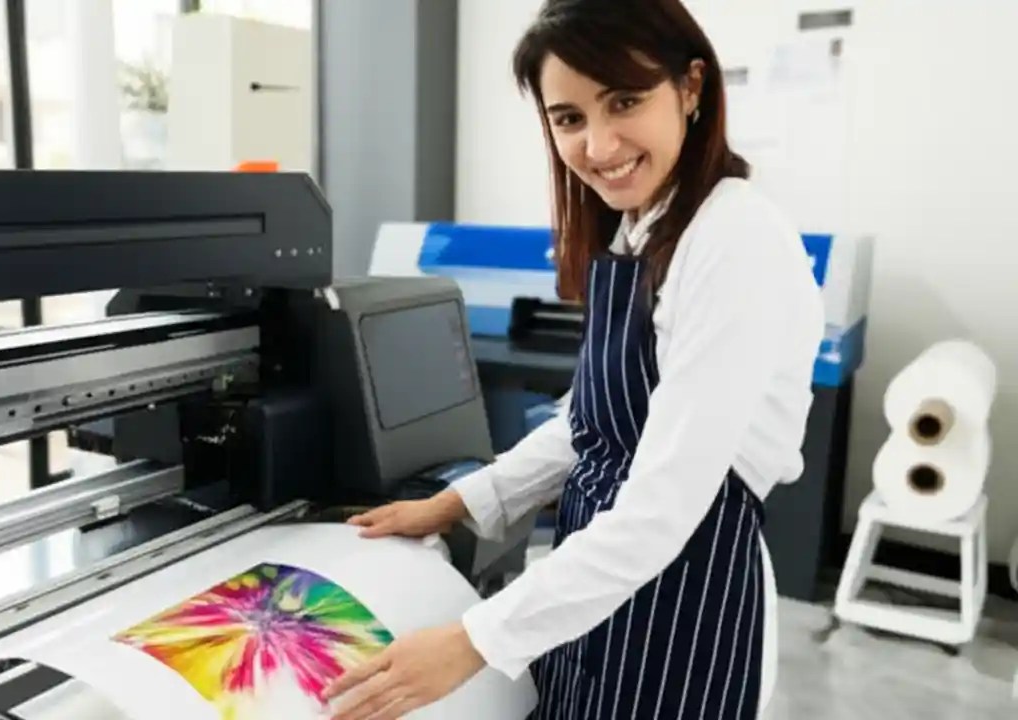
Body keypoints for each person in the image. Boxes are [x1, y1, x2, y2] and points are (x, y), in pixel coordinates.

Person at [321, 1, 825, 719]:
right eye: (569, 118)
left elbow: (663, 506)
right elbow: (593, 423)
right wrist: (460, 502)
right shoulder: (641, 230)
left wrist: (474, 640)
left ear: (689, 88)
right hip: (596, 589)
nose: (599, 143)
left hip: (682, 606)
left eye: (625, 100)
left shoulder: (732, 236)